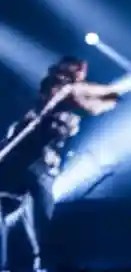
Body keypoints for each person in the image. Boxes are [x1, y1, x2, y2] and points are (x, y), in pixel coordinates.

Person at [0, 57, 119, 271]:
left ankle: (35, 262)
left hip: (38, 164)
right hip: (28, 160)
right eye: (79, 70)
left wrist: (96, 90)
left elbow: (108, 100)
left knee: (32, 217)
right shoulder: (57, 88)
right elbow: (93, 105)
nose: (83, 73)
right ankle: (30, 262)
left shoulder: (71, 91)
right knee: (35, 216)